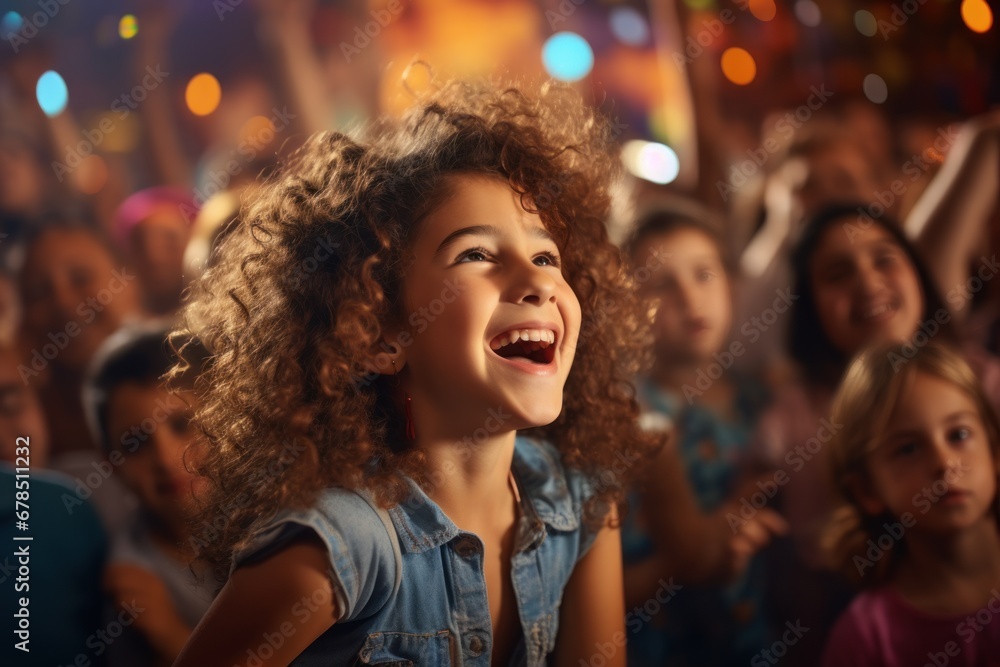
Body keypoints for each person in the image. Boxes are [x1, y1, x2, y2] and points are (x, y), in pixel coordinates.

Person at [173, 79, 657, 666]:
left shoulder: (581, 503)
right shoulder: (337, 547)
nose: (537, 283)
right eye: (476, 254)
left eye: (545, 256)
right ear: (378, 334)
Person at [750, 202, 987, 665]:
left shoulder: (984, 379)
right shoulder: (794, 419)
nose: (867, 282)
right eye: (837, 273)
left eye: (885, 259)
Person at [622, 206, 786, 666]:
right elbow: (608, 590)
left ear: (733, 285)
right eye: (660, 284)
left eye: (704, 274)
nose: (690, 298)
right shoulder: (622, 419)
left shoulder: (766, 400)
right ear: (624, 305)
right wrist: (702, 545)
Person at [822, 341, 1000, 665]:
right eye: (908, 449)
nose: (945, 464)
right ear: (867, 491)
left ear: (994, 450)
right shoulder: (867, 638)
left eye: (959, 435)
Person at [82, 324, 214, 666]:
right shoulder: (132, 589)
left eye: (183, 424)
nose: (167, 459)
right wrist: (166, 636)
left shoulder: (287, 517)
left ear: (227, 414)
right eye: (135, 443)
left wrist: (175, 638)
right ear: (111, 464)